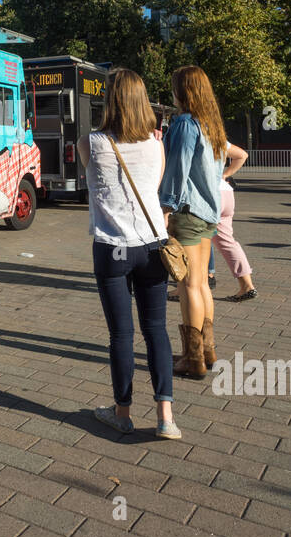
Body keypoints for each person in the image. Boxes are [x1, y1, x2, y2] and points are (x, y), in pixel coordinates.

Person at [77, 68, 180, 440]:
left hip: (112, 248)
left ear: (110, 100)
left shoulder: (90, 143)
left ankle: (122, 413)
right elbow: (153, 185)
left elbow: (90, 172)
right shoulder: (157, 144)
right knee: (157, 331)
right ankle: (166, 416)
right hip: (153, 247)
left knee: (120, 335)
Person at [159, 66, 226, 380]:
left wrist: (165, 208)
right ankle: (207, 351)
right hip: (208, 213)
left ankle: (192, 358)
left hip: (187, 212)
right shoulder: (212, 125)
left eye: (174, 88)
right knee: (200, 283)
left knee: (187, 285)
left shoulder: (185, 123)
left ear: (183, 91)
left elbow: (177, 168)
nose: (172, 93)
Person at [216, 142, 257, 302]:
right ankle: (247, 285)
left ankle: (184, 287)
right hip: (225, 193)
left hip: (207, 194)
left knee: (193, 243)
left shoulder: (189, 130)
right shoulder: (216, 135)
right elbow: (242, 155)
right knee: (228, 242)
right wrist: (225, 175)